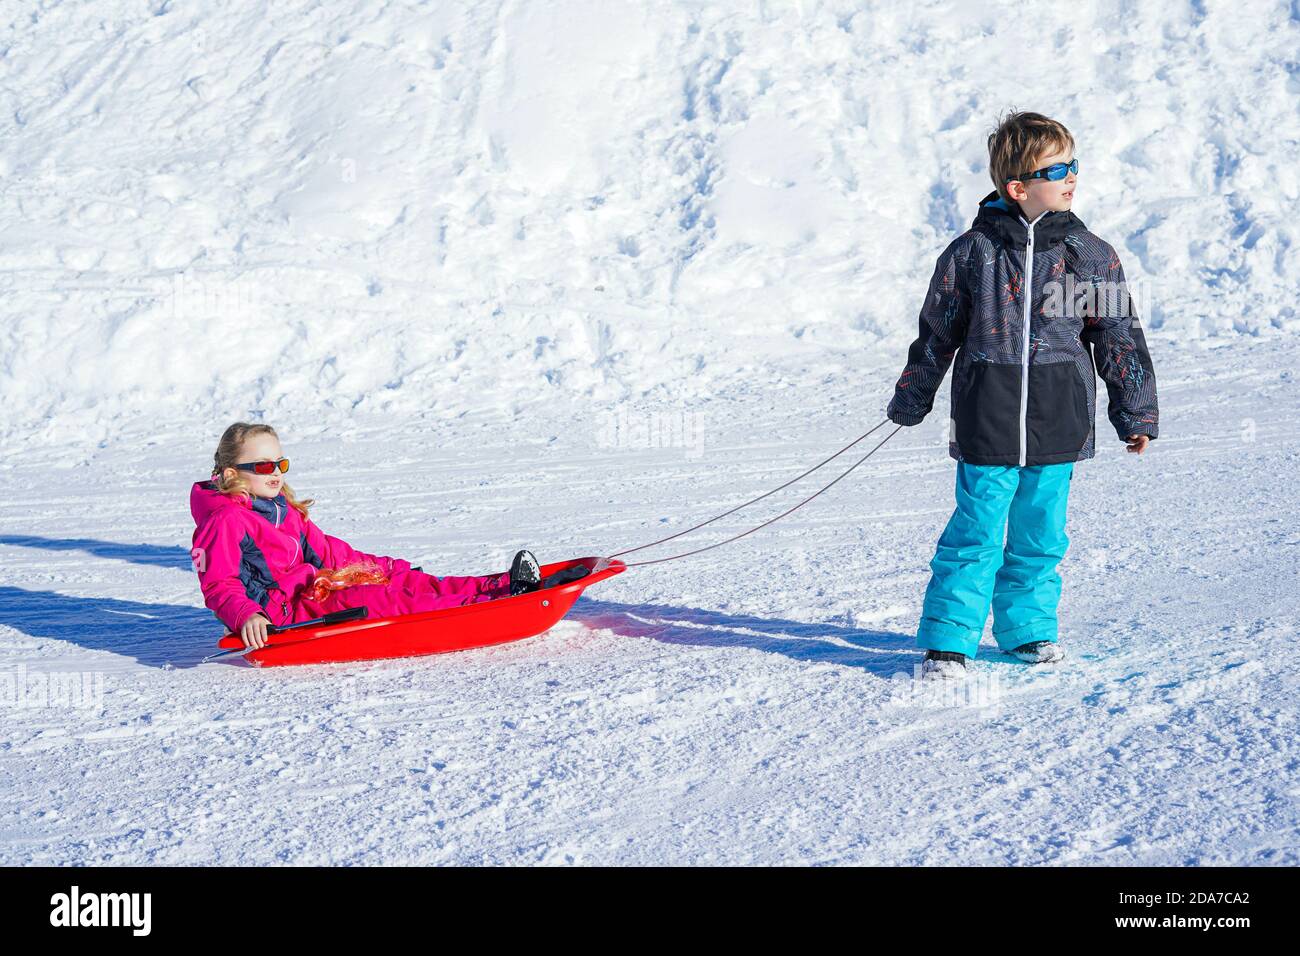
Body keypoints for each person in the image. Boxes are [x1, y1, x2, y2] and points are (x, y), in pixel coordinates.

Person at [886, 110, 1159, 679]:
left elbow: (1116, 336)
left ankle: (1028, 631)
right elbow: (937, 333)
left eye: (1074, 164)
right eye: (1058, 168)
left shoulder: (1088, 254)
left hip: (1058, 415)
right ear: (1017, 186)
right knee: (976, 531)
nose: (1072, 176)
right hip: (986, 413)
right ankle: (948, 641)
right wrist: (914, 397)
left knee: (1041, 533)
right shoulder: (971, 254)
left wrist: (1134, 410)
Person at [191, 422, 587, 649]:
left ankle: (504, 586)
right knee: (391, 599)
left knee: (403, 580)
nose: (275, 472)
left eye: (281, 462)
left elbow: (331, 551)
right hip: (288, 612)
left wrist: (384, 567)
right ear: (230, 474)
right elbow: (218, 582)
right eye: (262, 465)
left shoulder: (283, 509)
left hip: (321, 587)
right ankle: (500, 601)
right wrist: (246, 615)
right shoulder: (225, 520)